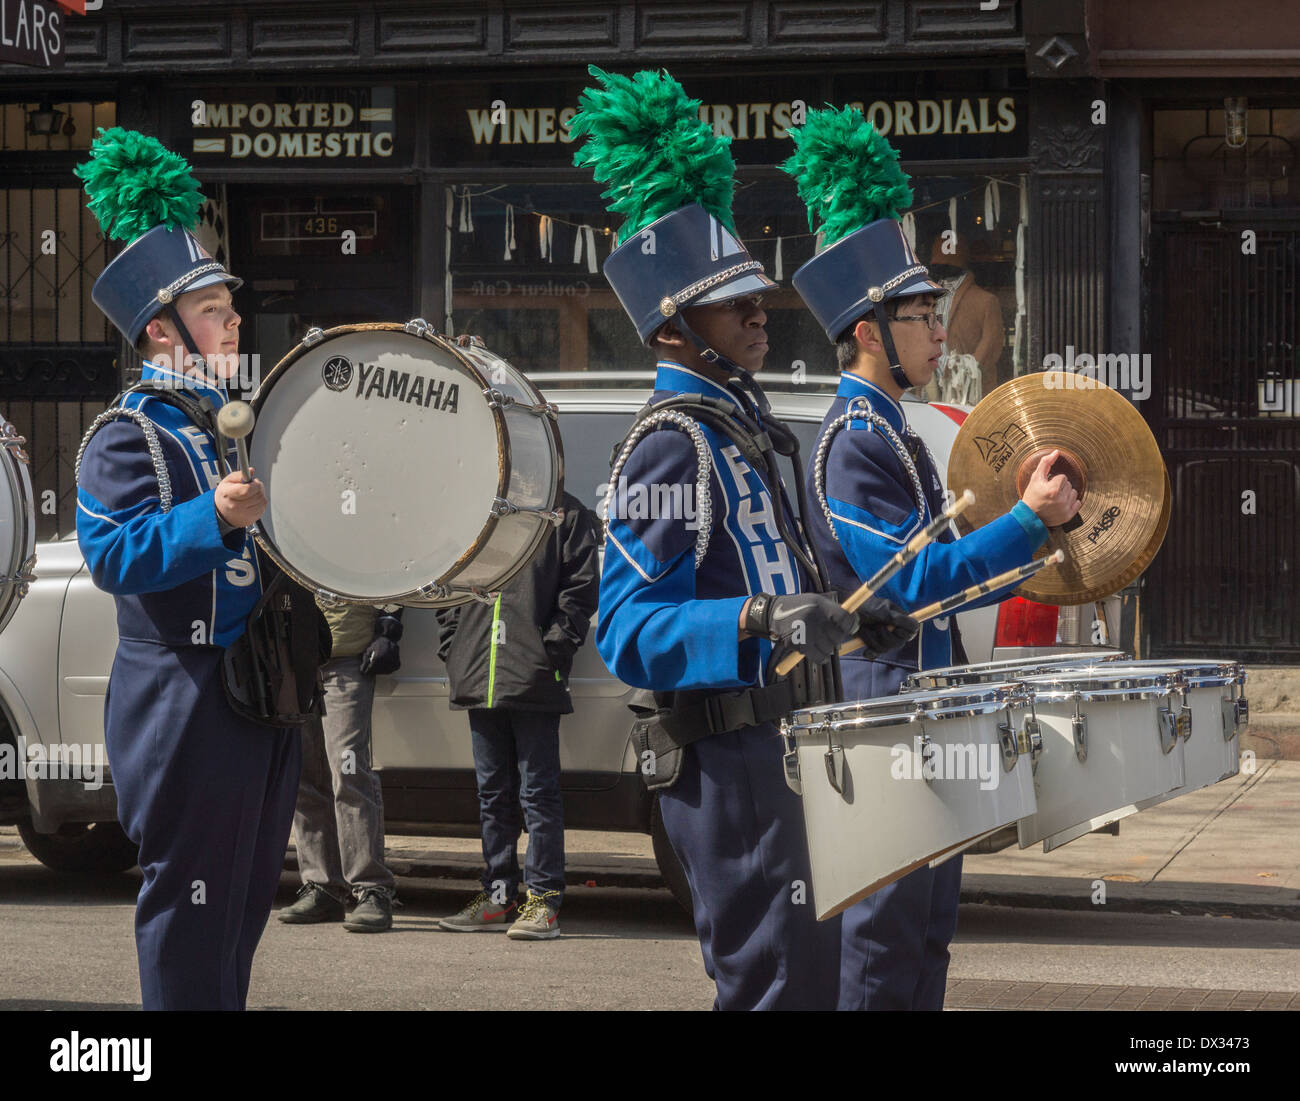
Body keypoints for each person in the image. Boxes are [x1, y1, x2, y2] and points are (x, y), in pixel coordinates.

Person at [570, 68, 915, 1009]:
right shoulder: (671, 446)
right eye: (736, 307)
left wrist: (853, 613)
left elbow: (789, 574)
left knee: (811, 982)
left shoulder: (746, 426)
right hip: (728, 762)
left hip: (789, 745)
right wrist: (761, 618)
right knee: (777, 989)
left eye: (758, 300)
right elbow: (631, 626)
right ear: (676, 328)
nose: (761, 315)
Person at [784, 106, 1081, 1010]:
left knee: (928, 933)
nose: (941, 332)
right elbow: (906, 588)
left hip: (926, 703)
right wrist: (1027, 522)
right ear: (871, 331)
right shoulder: (851, 438)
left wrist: (1042, 525)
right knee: (883, 943)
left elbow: (956, 564)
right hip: (883, 710)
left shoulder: (896, 430)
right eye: (922, 317)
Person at [74, 129, 309, 1010]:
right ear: (160, 330)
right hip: (184, 691)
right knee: (191, 905)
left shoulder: (233, 424)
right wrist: (209, 517)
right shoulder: (124, 432)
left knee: (243, 903)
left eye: (229, 309)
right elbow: (112, 555)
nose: (235, 322)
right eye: (215, 311)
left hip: (259, 689)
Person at [436, 490, 600, 940]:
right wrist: (454, 650)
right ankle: (497, 895)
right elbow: (449, 582)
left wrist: (553, 650)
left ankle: (543, 902)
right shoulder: (473, 504)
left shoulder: (567, 512)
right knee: (493, 793)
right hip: (476, 671)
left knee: (539, 794)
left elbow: (581, 590)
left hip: (532, 674)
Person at [278, 603, 400, 932]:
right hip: (295, 656)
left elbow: (396, 569)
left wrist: (388, 627)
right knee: (304, 776)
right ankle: (323, 888)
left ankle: (372, 888)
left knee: (348, 770)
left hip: (348, 655)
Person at [921, 238, 1005, 402]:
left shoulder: (985, 301)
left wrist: (966, 371)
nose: (944, 266)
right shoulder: (927, 298)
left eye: (948, 263)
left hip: (968, 393)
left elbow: (991, 342)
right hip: (929, 385)